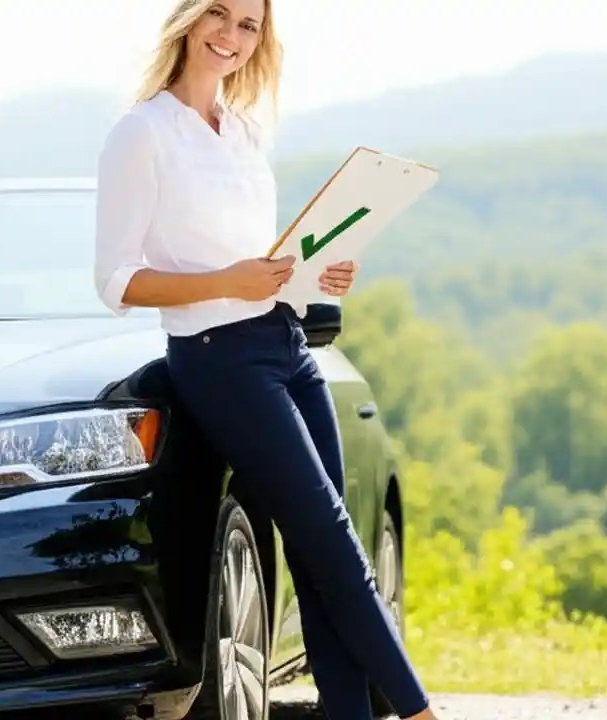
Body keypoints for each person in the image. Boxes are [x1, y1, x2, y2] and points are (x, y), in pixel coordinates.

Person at [92, 1, 441, 719]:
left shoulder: (246, 131)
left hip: (286, 344)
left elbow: (264, 260)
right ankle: (420, 711)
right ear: (187, 21)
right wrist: (228, 283)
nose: (232, 34)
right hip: (220, 359)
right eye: (218, 14)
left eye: (249, 25)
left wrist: (317, 274)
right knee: (336, 544)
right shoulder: (142, 132)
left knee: (321, 561)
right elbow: (116, 282)